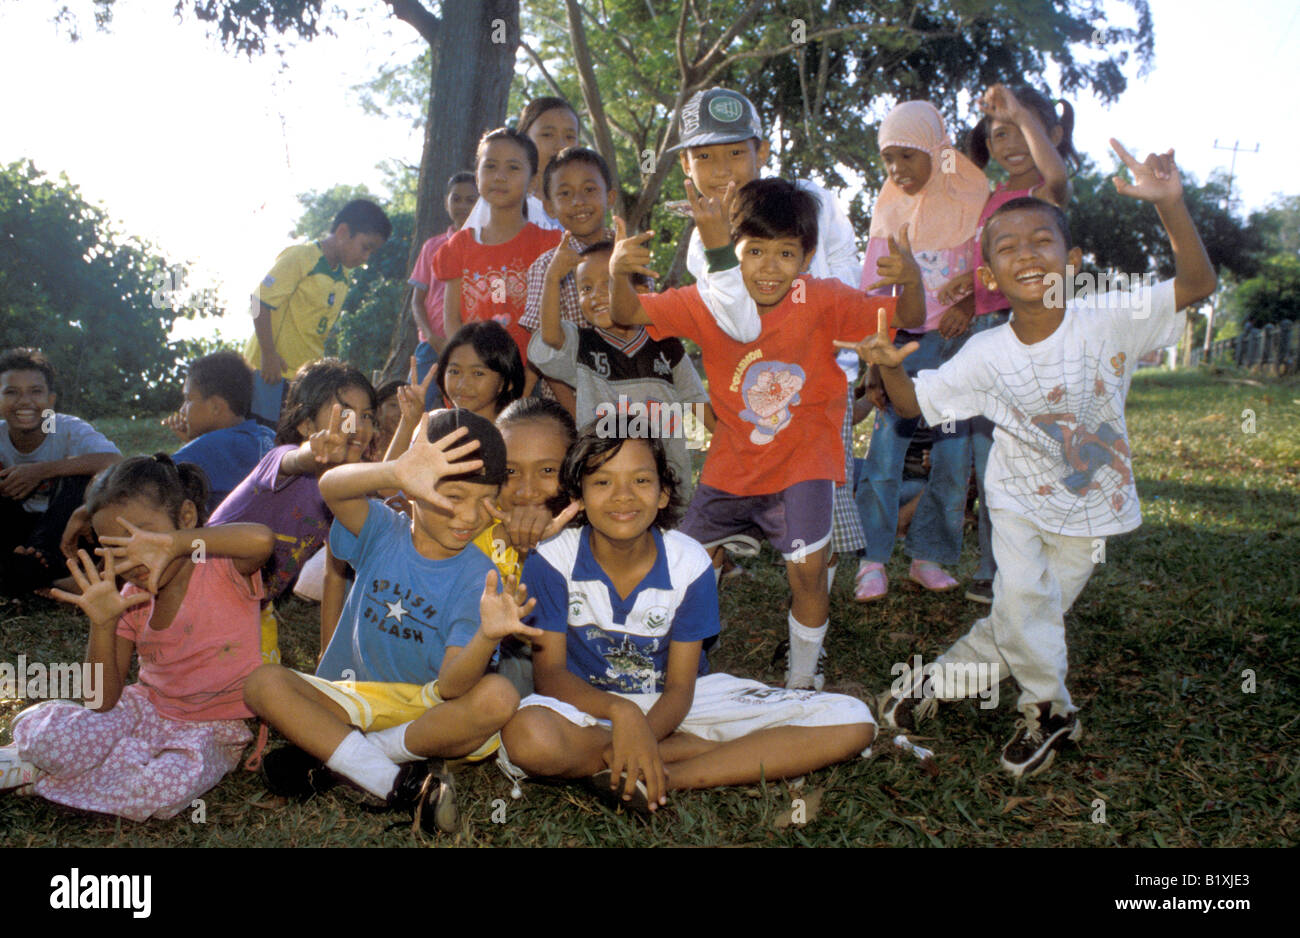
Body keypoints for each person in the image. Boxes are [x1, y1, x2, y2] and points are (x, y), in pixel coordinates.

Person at [860, 141, 1216, 778]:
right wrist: (891, 370)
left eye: (1041, 241)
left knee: (1025, 616)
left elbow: (1197, 283)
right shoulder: (986, 351)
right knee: (1025, 599)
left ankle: (935, 685)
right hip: (1017, 504)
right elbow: (918, 405)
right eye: (1007, 246)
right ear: (989, 278)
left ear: (1072, 262)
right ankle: (1050, 709)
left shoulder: (1110, 320)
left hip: (1090, 509)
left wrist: (1171, 206)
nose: (1026, 252)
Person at [609, 178, 921, 690]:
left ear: (807, 256)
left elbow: (904, 318)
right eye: (754, 251)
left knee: (807, 568)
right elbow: (627, 315)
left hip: (805, 460)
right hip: (733, 465)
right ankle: (660, 662)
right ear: (731, 250)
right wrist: (619, 273)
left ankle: (803, 679)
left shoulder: (820, 298)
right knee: (683, 563)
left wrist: (910, 281)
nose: (769, 267)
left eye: (785, 253)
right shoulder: (708, 300)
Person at [499, 426, 875, 813]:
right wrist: (622, 712)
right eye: (602, 481)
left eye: (641, 480)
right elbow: (550, 676)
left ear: (663, 493)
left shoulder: (689, 562)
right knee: (528, 739)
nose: (623, 495)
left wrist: (644, 732)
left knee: (852, 721)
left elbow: (681, 686)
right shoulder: (551, 560)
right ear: (578, 496)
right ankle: (686, 752)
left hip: (682, 704)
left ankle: (662, 773)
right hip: (590, 708)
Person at [242, 410, 536, 833]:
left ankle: (359, 761)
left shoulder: (480, 575)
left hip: (425, 717)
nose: (470, 517)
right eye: (454, 496)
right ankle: (395, 781)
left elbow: (453, 686)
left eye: (484, 501)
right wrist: (396, 469)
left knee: (499, 697)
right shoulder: (382, 529)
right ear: (413, 486)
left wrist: (487, 637)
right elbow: (331, 486)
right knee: (261, 683)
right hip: (350, 695)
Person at [0, 455, 274, 820]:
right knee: (56, 735)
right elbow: (101, 701)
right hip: (141, 709)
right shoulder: (129, 599)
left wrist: (178, 543)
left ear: (187, 518)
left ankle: (44, 777)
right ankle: (51, 756)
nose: (132, 556)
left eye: (142, 537)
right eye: (115, 547)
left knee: (162, 788)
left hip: (208, 729)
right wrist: (102, 624)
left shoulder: (223, 567)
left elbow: (262, 539)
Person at [673, 87, 869, 596]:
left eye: (737, 152)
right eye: (705, 156)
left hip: (819, 387)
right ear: (685, 167)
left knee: (818, 514)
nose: (723, 169)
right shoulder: (702, 240)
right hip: (755, 396)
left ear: (762, 152)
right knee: (738, 499)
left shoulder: (814, 202)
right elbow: (725, 322)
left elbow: (847, 277)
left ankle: (812, 615)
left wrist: (837, 356)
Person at [853, 100, 990, 601]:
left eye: (908, 156)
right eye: (888, 158)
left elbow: (992, 268)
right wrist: (874, 365)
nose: (897, 170)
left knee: (953, 459)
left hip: (956, 349)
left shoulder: (972, 201)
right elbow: (877, 300)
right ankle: (872, 560)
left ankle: (928, 556)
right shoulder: (888, 212)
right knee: (886, 455)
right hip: (900, 353)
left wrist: (973, 300)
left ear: (938, 151)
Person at [960, 84, 1080, 604]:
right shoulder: (989, 198)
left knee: (1038, 453)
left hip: (1034, 334)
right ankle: (996, 570)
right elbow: (983, 272)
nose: (1008, 142)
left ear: (1049, 133)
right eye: (997, 132)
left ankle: (1040, 566)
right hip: (989, 335)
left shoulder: (1044, 195)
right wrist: (964, 296)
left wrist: (1020, 114)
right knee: (992, 460)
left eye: (1020, 129)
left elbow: (1057, 174)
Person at [205, 359, 376, 664]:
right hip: (199, 590)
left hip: (252, 608)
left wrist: (327, 653)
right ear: (307, 425)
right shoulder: (280, 459)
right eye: (346, 414)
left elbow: (334, 575)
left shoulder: (346, 493)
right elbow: (299, 459)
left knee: (259, 689)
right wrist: (318, 451)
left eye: (366, 416)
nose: (359, 426)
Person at [530, 240, 709, 495]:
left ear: (640, 289)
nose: (595, 295)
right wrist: (552, 279)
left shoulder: (666, 345)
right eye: (586, 288)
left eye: (609, 283)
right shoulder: (581, 345)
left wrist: (730, 448)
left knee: (666, 532)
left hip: (665, 478)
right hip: (604, 476)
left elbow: (696, 401)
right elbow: (550, 336)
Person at [243, 199, 392, 427]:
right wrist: (268, 353)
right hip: (271, 373)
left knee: (288, 444)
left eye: (372, 251)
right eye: (365, 247)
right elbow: (257, 301)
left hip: (304, 380)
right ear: (343, 232)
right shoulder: (301, 258)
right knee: (261, 439)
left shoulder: (344, 277)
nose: (366, 257)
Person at [435, 128, 563, 390]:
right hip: (472, 386)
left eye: (513, 168)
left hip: (531, 381)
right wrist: (470, 373)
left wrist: (526, 383)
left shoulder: (549, 246)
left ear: (533, 180)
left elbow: (553, 323)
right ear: (478, 174)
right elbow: (452, 323)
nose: (500, 176)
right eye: (490, 166)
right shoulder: (458, 247)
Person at [0, 348, 120, 595]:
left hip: (63, 529)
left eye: (36, 391)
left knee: (82, 476)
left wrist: (41, 471)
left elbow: (116, 461)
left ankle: (35, 568)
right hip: (16, 528)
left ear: (51, 400)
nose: (25, 401)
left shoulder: (63, 428)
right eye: (11, 392)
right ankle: (27, 568)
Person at [520, 146, 619, 410]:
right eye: (565, 193)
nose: (579, 201)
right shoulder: (545, 267)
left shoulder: (626, 253)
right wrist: (577, 415)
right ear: (550, 207)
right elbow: (546, 352)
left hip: (634, 393)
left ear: (610, 197)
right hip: (572, 404)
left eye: (589, 190)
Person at [164, 350, 275, 514]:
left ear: (216, 406)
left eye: (188, 400)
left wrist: (194, 445)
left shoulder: (202, 449)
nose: (182, 409)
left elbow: (157, 479)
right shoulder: (268, 435)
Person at [408, 172, 479, 408]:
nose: (462, 206)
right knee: (418, 403)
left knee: (466, 407)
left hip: (472, 344)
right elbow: (417, 301)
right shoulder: (433, 246)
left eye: (471, 199)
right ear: (446, 202)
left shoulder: (485, 245)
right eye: (456, 199)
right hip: (433, 344)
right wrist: (431, 336)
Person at [462, 97, 581, 233]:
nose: (560, 145)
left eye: (570, 137)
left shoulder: (583, 205)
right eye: (547, 134)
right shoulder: (499, 200)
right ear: (525, 141)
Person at [430, 321, 526, 423]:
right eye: (454, 372)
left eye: (478, 373)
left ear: (506, 381)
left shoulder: (514, 436)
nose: (462, 385)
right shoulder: (436, 426)